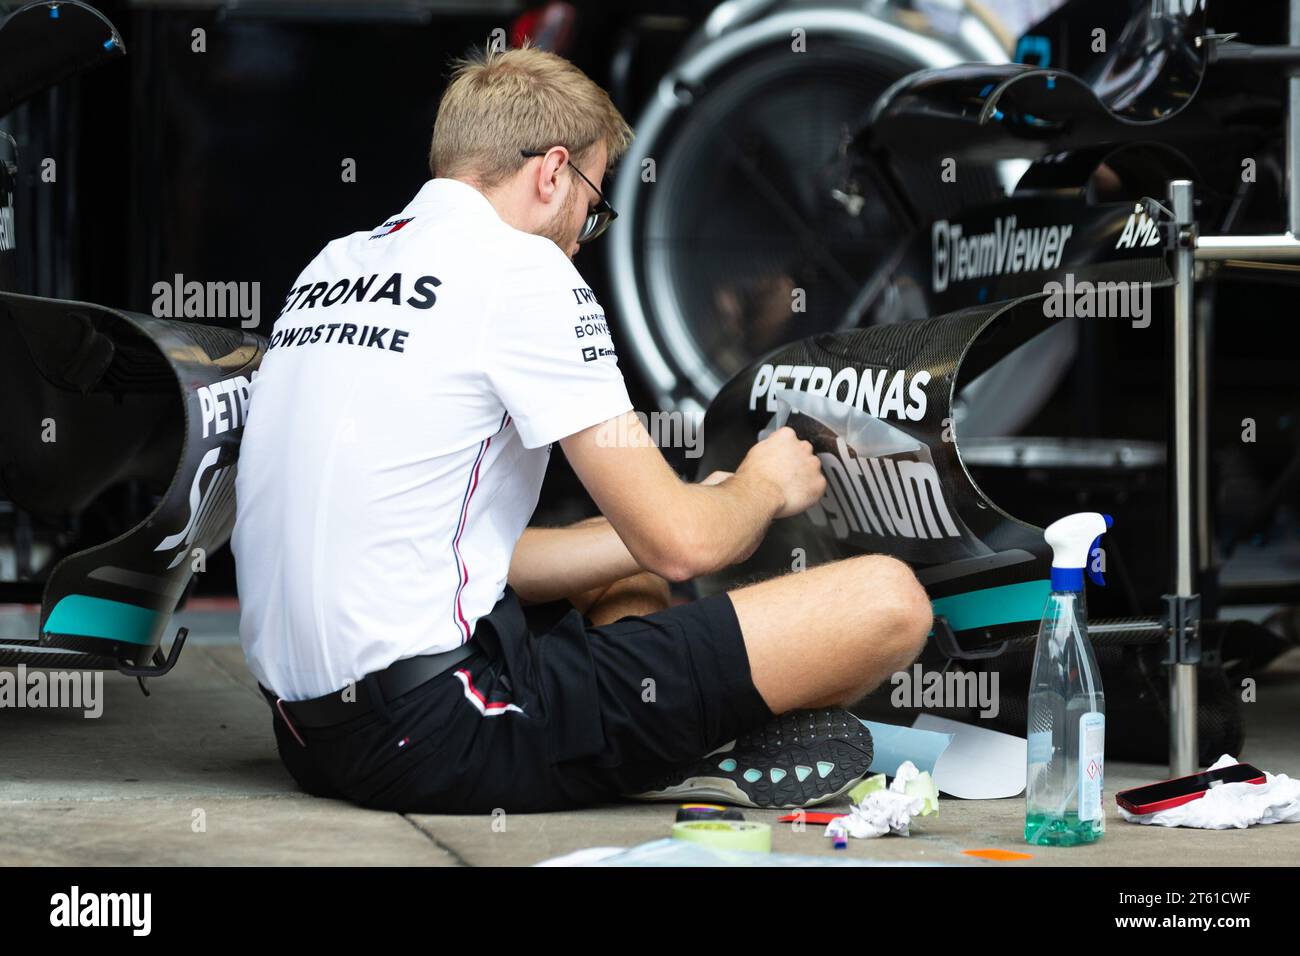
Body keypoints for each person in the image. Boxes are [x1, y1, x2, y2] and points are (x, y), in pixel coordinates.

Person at [231, 43, 931, 814]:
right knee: (888, 602)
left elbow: (461, 549)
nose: (579, 239)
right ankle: (675, 744)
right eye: (593, 210)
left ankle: (660, 739)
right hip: (440, 733)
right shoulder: (524, 270)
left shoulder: (333, 264)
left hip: (309, 737)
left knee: (625, 564)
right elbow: (686, 545)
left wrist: (681, 513)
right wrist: (762, 487)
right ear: (552, 172)